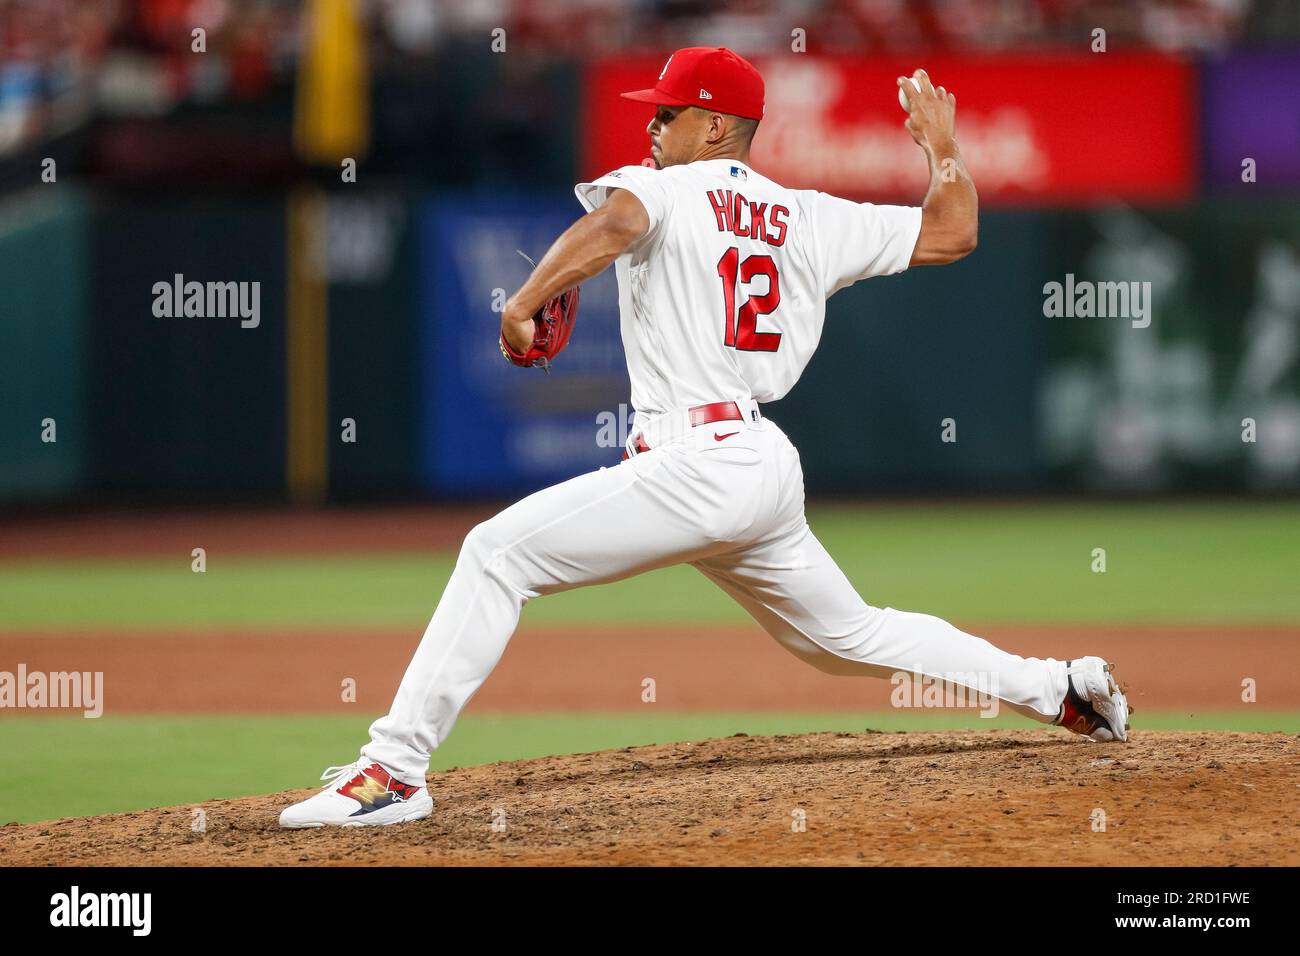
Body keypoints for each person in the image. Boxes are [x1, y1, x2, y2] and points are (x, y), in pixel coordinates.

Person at [280, 47, 1129, 829]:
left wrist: (524, 300)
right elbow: (954, 230)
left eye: (667, 113)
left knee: (496, 553)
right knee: (849, 638)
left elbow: (613, 224)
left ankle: (393, 772)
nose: (651, 126)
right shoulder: (808, 213)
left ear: (716, 126)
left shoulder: (666, 190)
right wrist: (941, 146)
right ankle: (1060, 688)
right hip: (758, 466)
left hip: (698, 463)